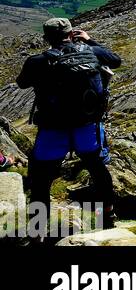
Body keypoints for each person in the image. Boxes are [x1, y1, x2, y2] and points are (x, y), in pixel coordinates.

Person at [15, 18, 121, 237]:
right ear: (72, 33)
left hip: (54, 129)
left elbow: (22, 83)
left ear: (46, 38)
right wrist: (91, 42)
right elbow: (116, 60)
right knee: (97, 169)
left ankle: (38, 229)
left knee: (41, 177)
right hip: (86, 126)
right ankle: (108, 216)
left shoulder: (38, 61)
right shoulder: (91, 52)